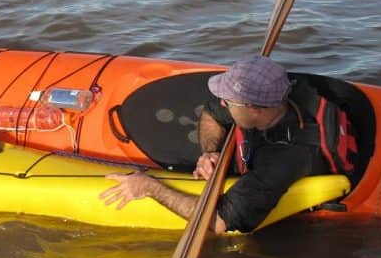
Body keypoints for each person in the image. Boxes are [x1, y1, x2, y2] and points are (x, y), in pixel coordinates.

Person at [99, 55, 335, 233]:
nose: (222, 103)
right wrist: (210, 152)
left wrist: (151, 188)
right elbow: (211, 113)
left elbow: (219, 222)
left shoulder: (285, 157)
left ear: (253, 109)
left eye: (228, 100)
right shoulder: (274, 100)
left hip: (285, 177)